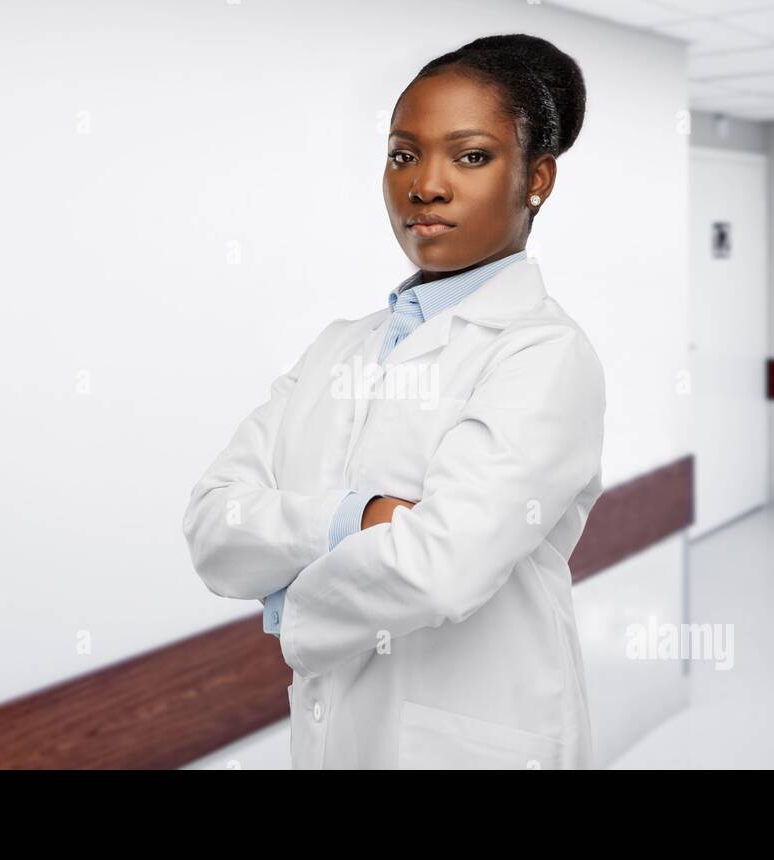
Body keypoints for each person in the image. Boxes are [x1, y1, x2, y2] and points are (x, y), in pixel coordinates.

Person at [182, 33, 605, 769]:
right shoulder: (338, 347)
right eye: (404, 154)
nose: (426, 185)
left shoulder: (542, 353)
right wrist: (357, 518)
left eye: (470, 156)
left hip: (475, 735)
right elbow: (214, 520)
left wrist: (287, 601)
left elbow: (439, 567)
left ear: (537, 179)